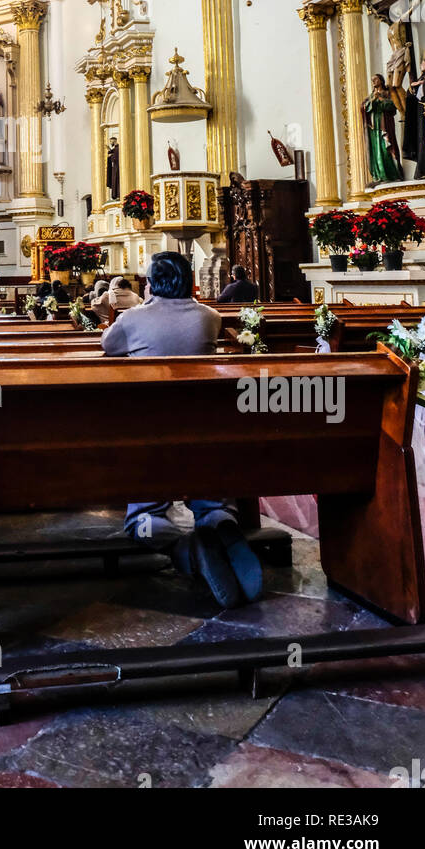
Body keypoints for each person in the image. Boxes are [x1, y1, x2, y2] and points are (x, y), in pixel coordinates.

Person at [103, 251, 263, 609]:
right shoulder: (211, 317)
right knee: (213, 504)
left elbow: (107, 347)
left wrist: (146, 306)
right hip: (203, 429)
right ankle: (219, 523)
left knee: (142, 519)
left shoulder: (133, 319)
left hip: (149, 435)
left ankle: (185, 546)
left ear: (151, 283)